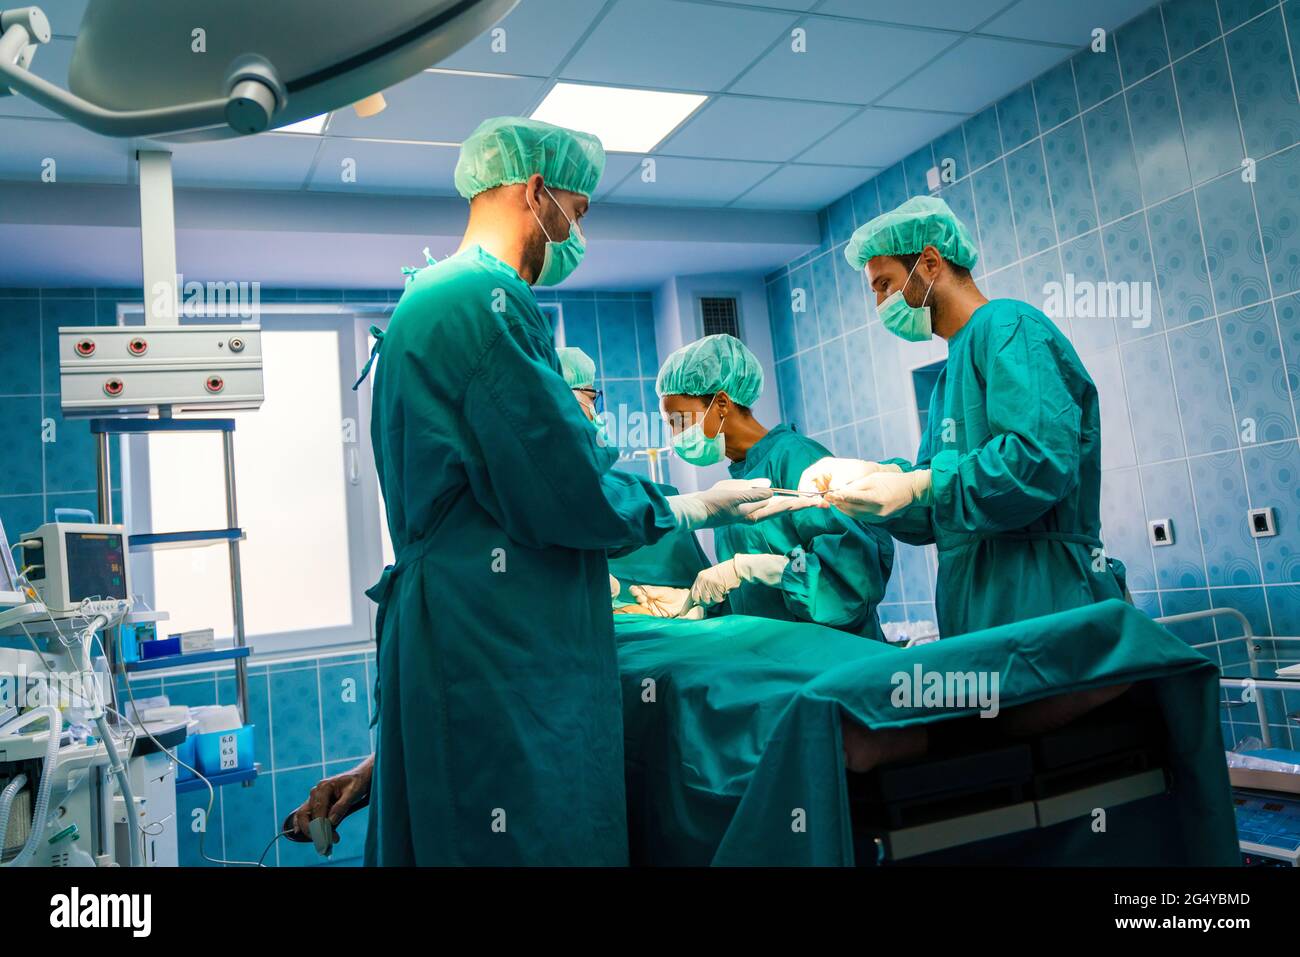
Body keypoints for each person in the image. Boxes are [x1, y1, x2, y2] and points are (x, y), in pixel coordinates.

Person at [352, 116, 774, 865]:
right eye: (575, 215)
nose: (573, 235)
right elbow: (564, 485)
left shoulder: (428, 301)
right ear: (537, 191)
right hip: (497, 642)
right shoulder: (483, 299)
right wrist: (677, 504)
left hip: (457, 630)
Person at [798, 196, 1127, 638]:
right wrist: (873, 485)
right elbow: (940, 510)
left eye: (884, 284)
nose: (879, 302)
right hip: (975, 611)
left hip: (1046, 599)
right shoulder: (948, 377)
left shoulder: (1010, 326)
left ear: (930, 262)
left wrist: (921, 484)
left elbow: (1037, 461)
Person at [646, 334, 894, 638]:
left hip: (836, 661)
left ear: (721, 403)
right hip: (782, 663)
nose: (675, 437)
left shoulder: (798, 459)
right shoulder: (735, 485)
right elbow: (755, 600)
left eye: (679, 421)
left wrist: (754, 568)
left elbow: (852, 580)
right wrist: (697, 606)